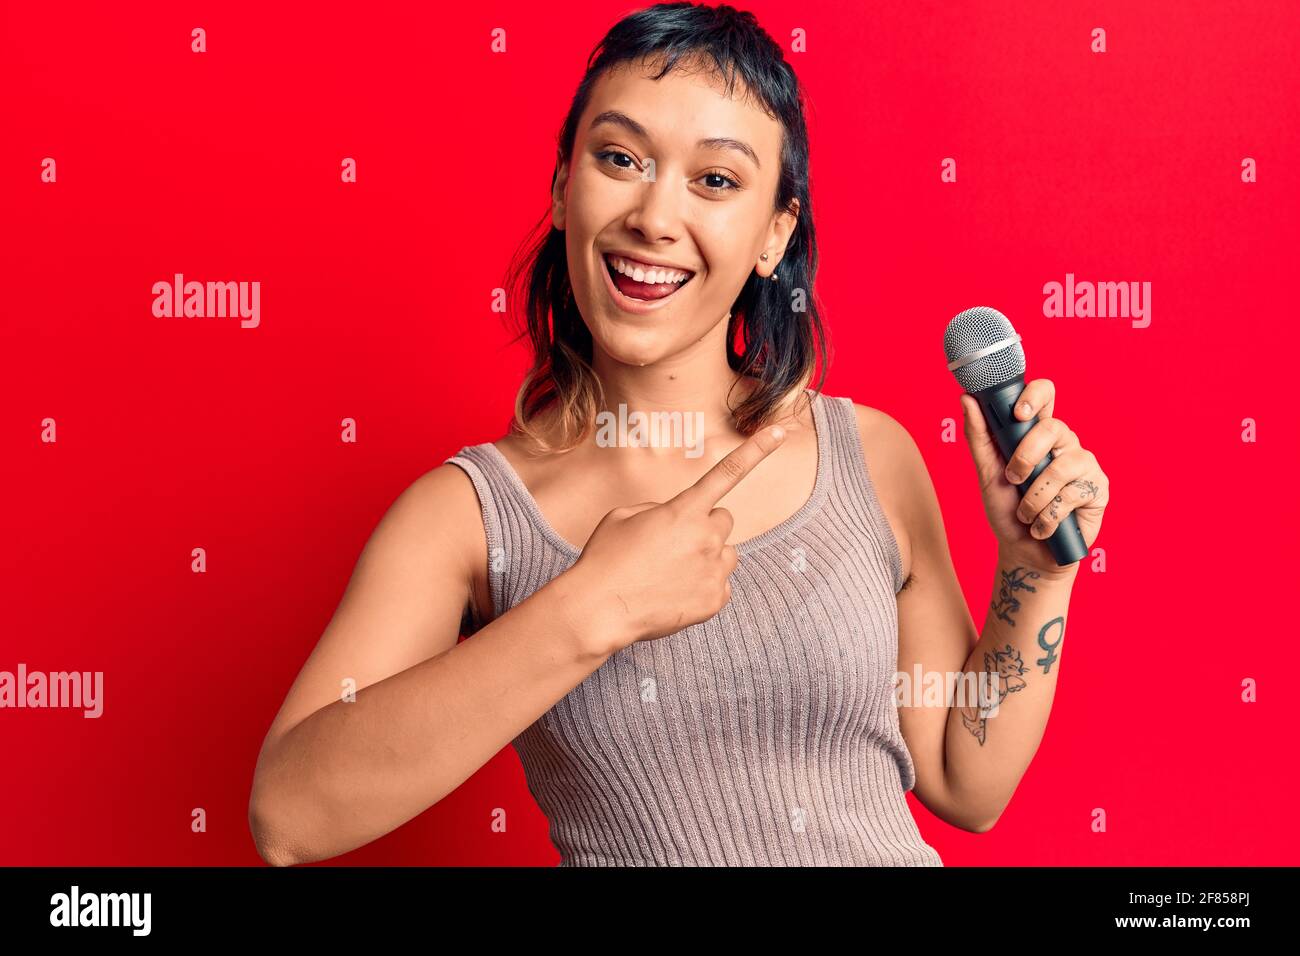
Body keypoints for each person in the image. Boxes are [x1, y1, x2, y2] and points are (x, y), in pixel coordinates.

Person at [248, 2, 1110, 867]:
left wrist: (1034, 576)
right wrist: (596, 606)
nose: (655, 217)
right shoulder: (470, 518)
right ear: (562, 188)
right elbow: (288, 814)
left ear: (775, 235)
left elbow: (967, 780)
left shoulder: (870, 456)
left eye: (717, 180)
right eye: (620, 159)